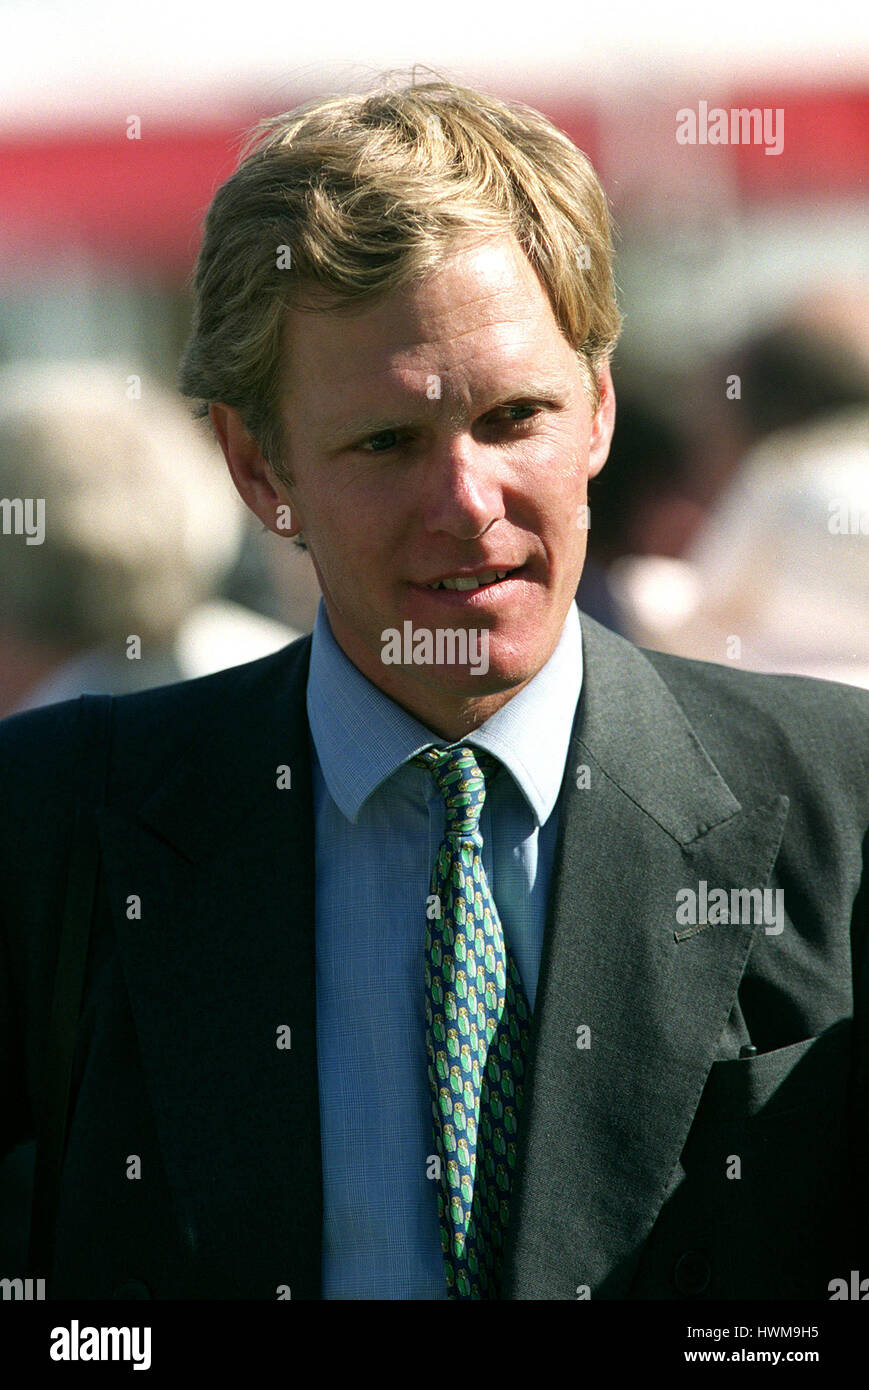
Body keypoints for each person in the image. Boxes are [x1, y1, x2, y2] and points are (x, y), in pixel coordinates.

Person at [0, 75, 866, 1302]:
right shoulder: (54, 827)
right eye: (386, 443)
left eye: (515, 417)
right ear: (259, 468)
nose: (467, 503)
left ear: (600, 410)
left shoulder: (837, 797)